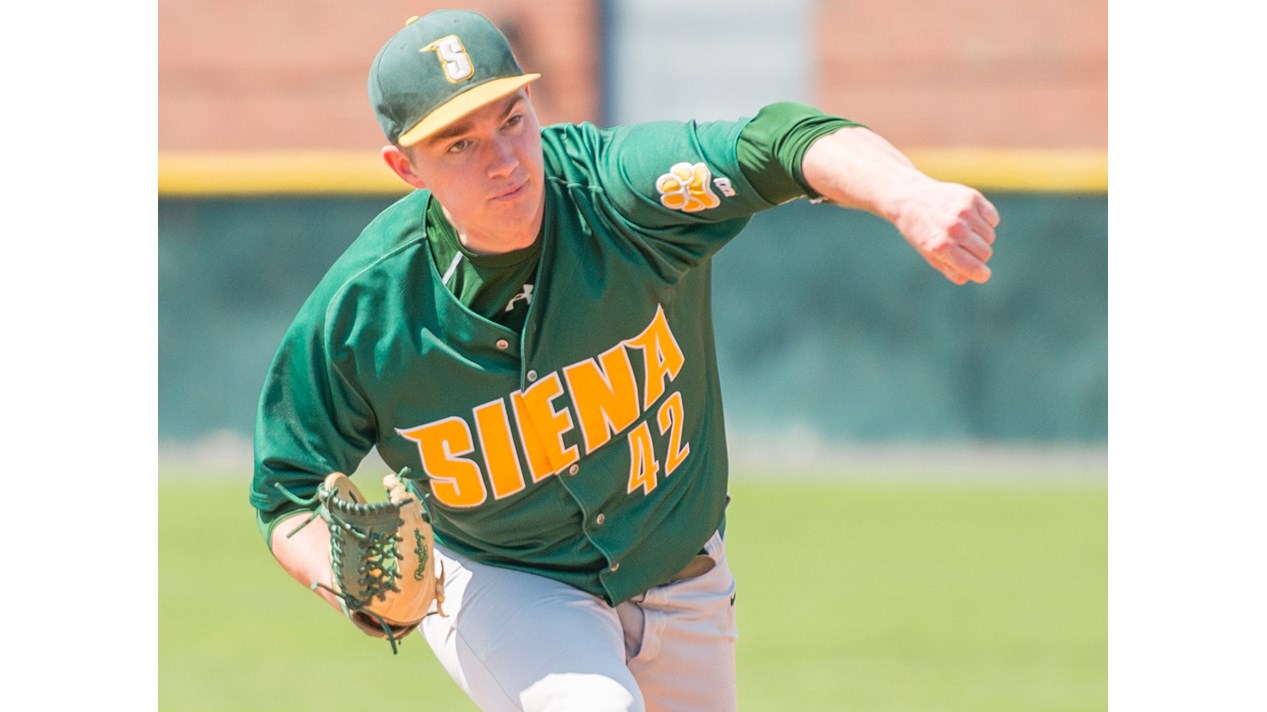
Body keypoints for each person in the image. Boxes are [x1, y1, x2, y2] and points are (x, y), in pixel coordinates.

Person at [249, 8, 999, 711]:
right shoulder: (365, 309)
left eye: (511, 119)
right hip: (508, 581)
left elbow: (781, 142)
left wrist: (907, 194)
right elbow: (285, 492)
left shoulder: (617, 193)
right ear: (405, 167)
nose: (504, 159)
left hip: (682, 567)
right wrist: (345, 582)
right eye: (459, 144)